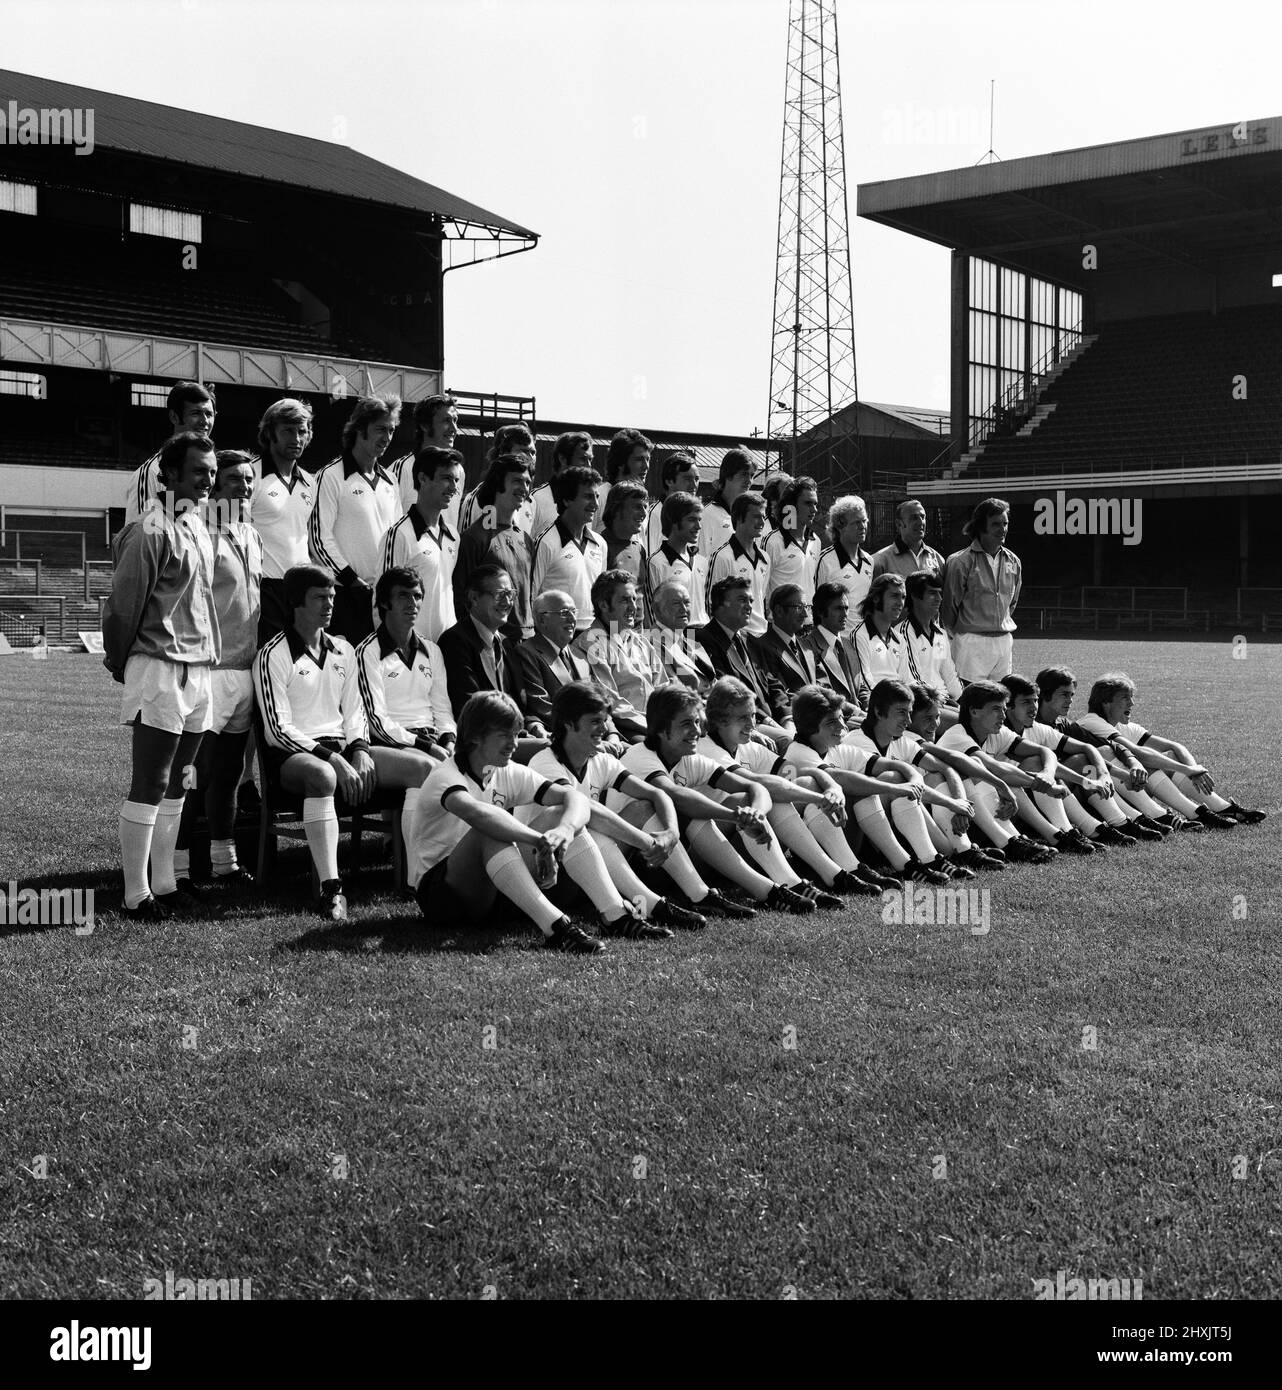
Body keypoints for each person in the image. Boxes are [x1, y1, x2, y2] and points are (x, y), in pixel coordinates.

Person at [254, 564, 431, 921]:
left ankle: (416, 878)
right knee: (324, 777)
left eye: (332, 597)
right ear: (295, 603)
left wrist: (361, 752)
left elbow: (355, 712)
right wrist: (332, 759)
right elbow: (277, 729)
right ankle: (330, 891)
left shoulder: (343, 649)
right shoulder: (272, 654)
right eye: (320, 597)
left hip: (344, 749)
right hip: (294, 757)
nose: (329, 604)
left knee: (422, 768)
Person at [103, 432, 219, 920]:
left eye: (212, 472)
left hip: (198, 666)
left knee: (179, 782)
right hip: (159, 664)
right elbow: (123, 605)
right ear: (168, 475)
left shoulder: (195, 525)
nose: (209, 480)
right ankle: (136, 894)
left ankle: (166, 883)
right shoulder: (149, 529)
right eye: (199, 471)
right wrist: (119, 659)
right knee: (151, 781)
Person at [404, 691, 606, 955]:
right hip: (442, 897)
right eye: (504, 735)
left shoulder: (506, 770)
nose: (514, 744)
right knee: (487, 830)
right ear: (475, 736)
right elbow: (479, 816)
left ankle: (615, 914)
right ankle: (557, 927)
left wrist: (563, 831)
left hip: (490, 890)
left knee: (559, 813)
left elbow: (573, 797)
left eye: (515, 734)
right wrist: (539, 841)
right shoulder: (444, 775)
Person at [604, 685, 816, 915]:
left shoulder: (690, 757)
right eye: (687, 724)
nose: (697, 731)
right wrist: (736, 817)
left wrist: (756, 814)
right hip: (630, 864)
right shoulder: (639, 756)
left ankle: (775, 888)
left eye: (697, 722)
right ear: (662, 729)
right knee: (670, 807)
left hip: (670, 856)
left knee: (742, 799)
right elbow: (674, 796)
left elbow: (755, 786)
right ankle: (736, 892)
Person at [524, 682, 710, 934]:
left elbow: (656, 794)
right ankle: (645, 908)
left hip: (581, 868)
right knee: (581, 821)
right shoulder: (544, 762)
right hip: (542, 874)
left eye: (605, 721)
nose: (604, 729)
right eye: (595, 722)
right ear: (568, 723)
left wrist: (671, 832)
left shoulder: (600, 760)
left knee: (642, 807)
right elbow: (583, 808)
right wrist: (646, 842)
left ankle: (698, 895)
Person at [175, 449, 262, 893]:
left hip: (245, 669)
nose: (243, 488)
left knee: (229, 775)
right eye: (234, 480)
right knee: (195, 774)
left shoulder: (250, 533)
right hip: (212, 668)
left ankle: (223, 863)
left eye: (249, 480)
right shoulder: (199, 532)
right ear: (216, 485)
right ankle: (177, 869)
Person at [699, 678, 858, 904]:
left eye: (753, 716)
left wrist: (832, 786)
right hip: (703, 851)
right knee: (749, 797)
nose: (752, 725)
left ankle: (833, 874)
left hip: (742, 838)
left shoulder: (748, 747)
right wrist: (820, 798)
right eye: (743, 717)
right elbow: (753, 783)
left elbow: (798, 771)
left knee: (794, 787)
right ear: (720, 720)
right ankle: (797, 882)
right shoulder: (707, 749)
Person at [782, 685, 934, 890]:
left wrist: (914, 778)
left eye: (841, 718)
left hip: (845, 834)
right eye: (831, 722)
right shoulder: (798, 752)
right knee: (821, 791)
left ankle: (908, 863)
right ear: (811, 728)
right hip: (814, 847)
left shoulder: (837, 748)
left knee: (882, 780)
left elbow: (889, 765)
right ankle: (849, 870)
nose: (841, 726)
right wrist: (897, 789)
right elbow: (838, 777)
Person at [1072, 673, 1263, 831]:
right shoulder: (1091, 722)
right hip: (1093, 796)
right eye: (1125, 698)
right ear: (1106, 703)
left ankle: (1222, 808)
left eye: (1132, 698)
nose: (1132, 704)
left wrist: (1194, 769)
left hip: (1126, 788)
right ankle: (1192, 813)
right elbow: (1138, 752)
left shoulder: (1124, 726)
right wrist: (1188, 771)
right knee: (1138, 757)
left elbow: (1175, 747)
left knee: (1169, 757)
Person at [842, 679, 973, 882]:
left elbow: (945, 768)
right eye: (902, 712)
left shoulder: (900, 740)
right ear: (878, 712)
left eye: (910, 712)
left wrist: (959, 803)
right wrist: (952, 803)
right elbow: (893, 784)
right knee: (896, 778)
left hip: (887, 825)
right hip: (853, 836)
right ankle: (928, 859)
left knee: (947, 847)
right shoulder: (857, 741)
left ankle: (946, 854)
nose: (908, 720)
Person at [931, 680, 1062, 862]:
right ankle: (1010, 842)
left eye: (1003, 708)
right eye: (995, 709)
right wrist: (1045, 786)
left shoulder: (997, 731)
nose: (1003, 715)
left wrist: (1048, 773)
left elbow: (1043, 751)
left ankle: (1059, 834)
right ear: (974, 711)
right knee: (981, 768)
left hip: (979, 811)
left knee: (1033, 764)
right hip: (954, 820)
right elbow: (995, 769)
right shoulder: (957, 735)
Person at [310, 394, 403, 645]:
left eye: (391, 430)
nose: (387, 438)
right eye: (380, 429)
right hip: (345, 595)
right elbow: (319, 539)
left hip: (383, 598)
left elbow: (396, 537)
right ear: (360, 429)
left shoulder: (390, 481)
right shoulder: (329, 476)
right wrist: (352, 580)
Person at [998, 674, 1124, 853]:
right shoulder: (997, 731)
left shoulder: (1039, 727)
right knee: (1039, 765)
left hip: (1029, 797)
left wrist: (1103, 776)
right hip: (1001, 804)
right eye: (1026, 702)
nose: (1034, 707)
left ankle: (1113, 823)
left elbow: (1087, 748)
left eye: (1035, 701)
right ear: (1008, 704)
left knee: (1081, 759)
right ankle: (1067, 832)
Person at [1034, 666, 1159, 841]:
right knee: (1080, 761)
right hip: (1037, 793)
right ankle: (1121, 821)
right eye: (1064, 694)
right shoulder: (1032, 724)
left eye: (1072, 695)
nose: (1070, 700)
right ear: (1044, 694)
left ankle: (1128, 819)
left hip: (1063, 791)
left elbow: (1106, 745)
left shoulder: (1063, 723)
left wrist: (1131, 765)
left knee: (1101, 752)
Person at [436, 564, 548, 745]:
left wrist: (534, 725)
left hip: (514, 735)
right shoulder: (455, 641)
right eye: (499, 594)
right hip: (483, 739)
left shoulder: (505, 642)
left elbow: (519, 700)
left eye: (510, 594)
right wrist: (515, 732)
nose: (507, 602)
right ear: (474, 598)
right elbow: (469, 705)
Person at [356, 567, 455, 763]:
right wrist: (426, 746)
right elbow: (377, 722)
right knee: (432, 767)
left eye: (417, 596)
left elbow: (442, 710)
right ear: (384, 602)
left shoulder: (432, 650)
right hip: (393, 744)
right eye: (403, 596)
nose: (412, 604)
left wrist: (449, 742)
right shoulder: (367, 651)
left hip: (433, 741)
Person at [380, 445, 464, 644]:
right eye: (446, 478)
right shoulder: (398, 534)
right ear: (423, 478)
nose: (453, 487)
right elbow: (382, 604)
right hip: (411, 652)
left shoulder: (453, 535)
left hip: (446, 652)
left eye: (456, 480)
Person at [697, 576, 793, 747]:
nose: (749, 606)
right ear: (720, 604)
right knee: (790, 743)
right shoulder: (702, 639)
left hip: (774, 721)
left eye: (750, 600)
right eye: (742, 600)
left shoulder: (752, 640)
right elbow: (724, 689)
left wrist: (787, 717)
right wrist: (769, 722)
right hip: (744, 723)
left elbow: (773, 683)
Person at [253, 397, 316, 643]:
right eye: (288, 431)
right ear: (270, 433)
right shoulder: (249, 475)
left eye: (302, 431)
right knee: (268, 662)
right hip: (265, 587)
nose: (297, 438)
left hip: (301, 589)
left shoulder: (310, 482)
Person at [451, 453, 533, 640]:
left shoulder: (527, 540)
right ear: (497, 483)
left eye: (527, 482)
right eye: (517, 481)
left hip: (525, 643)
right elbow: (461, 598)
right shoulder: (475, 537)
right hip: (489, 644)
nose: (524, 488)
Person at [570, 570, 659, 741]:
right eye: (625, 600)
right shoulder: (590, 644)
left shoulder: (642, 642)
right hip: (625, 730)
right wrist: (654, 728)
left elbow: (663, 687)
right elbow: (610, 702)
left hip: (657, 725)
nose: (634, 607)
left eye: (634, 599)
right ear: (603, 605)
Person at [940, 497, 1021, 683]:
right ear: (980, 526)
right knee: (971, 700)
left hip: (1003, 640)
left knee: (1001, 701)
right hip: (971, 641)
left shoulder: (1014, 562)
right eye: (995, 524)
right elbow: (949, 608)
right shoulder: (960, 561)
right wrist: (962, 635)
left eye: (1005, 523)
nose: (1002, 529)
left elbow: (1012, 603)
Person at [123, 381, 216, 525]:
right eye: (196, 413)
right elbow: (141, 536)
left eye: (209, 414)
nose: (205, 421)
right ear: (174, 417)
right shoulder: (152, 472)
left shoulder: (216, 471)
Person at [531, 465, 607, 633]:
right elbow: (531, 596)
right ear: (566, 500)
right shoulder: (545, 542)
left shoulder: (601, 543)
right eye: (588, 497)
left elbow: (602, 596)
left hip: (592, 635)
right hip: (555, 634)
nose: (595, 504)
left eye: (597, 496)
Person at [516, 588, 601, 729]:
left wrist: (612, 734)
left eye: (574, 612)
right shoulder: (527, 653)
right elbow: (541, 707)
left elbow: (598, 701)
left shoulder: (579, 654)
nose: (572, 619)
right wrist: (588, 729)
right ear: (542, 619)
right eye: (564, 613)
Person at [897, 569, 961, 720]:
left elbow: (949, 674)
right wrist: (943, 700)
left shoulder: (940, 634)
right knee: (966, 724)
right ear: (914, 596)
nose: (939, 598)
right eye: (932, 593)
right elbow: (914, 679)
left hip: (944, 701)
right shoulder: (904, 632)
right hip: (922, 704)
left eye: (940, 593)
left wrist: (961, 699)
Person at [705, 490, 771, 637]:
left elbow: (760, 599)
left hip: (762, 637)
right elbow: (711, 603)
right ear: (739, 518)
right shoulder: (722, 556)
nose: (761, 522)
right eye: (756, 517)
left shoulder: (765, 558)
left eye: (763, 517)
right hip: (736, 637)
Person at [643, 490, 707, 626]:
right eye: (691, 520)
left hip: (704, 638)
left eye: (699, 520)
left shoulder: (702, 561)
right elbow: (653, 613)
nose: (698, 526)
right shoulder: (656, 563)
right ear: (673, 521)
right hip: (675, 639)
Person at [391, 393, 460, 517]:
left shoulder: (459, 471)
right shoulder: (402, 469)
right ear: (425, 426)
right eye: (446, 421)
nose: (454, 428)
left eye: (455, 420)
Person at [458, 423, 536, 532]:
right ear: (503, 454)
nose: (530, 458)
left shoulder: (528, 501)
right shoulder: (483, 497)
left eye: (533, 452)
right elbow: (475, 545)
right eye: (523, 451)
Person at [807, 581, 865, 714]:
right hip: (835, 717)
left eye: (846, 608)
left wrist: (869, 709)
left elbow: (860, 687)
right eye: (838, 608)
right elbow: (822, 691)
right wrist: (856, 712)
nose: (845, 614)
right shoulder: (809, 645)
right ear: (821, 612)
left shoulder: (848, 644)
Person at [651, 580, 718, 691]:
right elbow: (673, 689)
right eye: (676, 603)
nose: (683, 609)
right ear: (657, 609)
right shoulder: (652, 644)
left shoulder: (693, 643)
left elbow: (713, 682)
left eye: (687, 602)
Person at [752, 584, 819, 694]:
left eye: (806, 607)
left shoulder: (807, 645)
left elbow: (822, 685)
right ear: (779, 611)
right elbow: (779, 694)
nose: (805, 614)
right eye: (799, 607)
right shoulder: (762, 646)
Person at [764, 475, 820, 607]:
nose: (814, 510)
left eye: (815, 503)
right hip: (778, 625)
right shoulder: (773, 541)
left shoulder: (816, 541)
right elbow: (761, 589)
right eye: (807, 503)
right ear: (792, 505)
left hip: (808, 623)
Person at [815, 494, 874, 614]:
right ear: (840, 526)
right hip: (835, 633)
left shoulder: (869, 560)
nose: (862, 526)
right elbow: (816, 605)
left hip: (863, 633)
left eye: (864, 521)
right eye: (856, 522)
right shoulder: (825, 560)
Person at [531, 430, 593, 538]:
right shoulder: (536, 499)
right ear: (562, 459)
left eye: (590, 460)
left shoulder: (591, 502)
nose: (589, 466)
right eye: (583, 459)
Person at [852, 573, 908, 692]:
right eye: (894, 596)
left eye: (903, 597)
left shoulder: (900, 639)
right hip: (879, 704)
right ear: (876, 598)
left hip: (902, 701)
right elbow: (865, 681)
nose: (900, 603)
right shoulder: (859, 635)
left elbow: (907, 680)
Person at [870, 498, 947, 580]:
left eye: (923, 517)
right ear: (899, 524)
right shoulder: (881, 561)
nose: (921, 522)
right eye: (914, 518)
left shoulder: (937, 559)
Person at [700, 449, 754, 562]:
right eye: (744, 474)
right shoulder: (707, 515)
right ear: (728, 475)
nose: (749, 480)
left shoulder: (751, 515)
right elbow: (701, 562)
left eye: (751, 475)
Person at [644, 452, 700, 556]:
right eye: (687, 479)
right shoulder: (654, 515)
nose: (694, 485)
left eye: (696, 479)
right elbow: (649, 561)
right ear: (669, 481)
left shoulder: (697, 516)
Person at [600, 480, 649, 581]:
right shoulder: (598, 547)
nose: (644, 513)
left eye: (645, 507)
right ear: (616, 509)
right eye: (637, 507)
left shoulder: (640, 549)